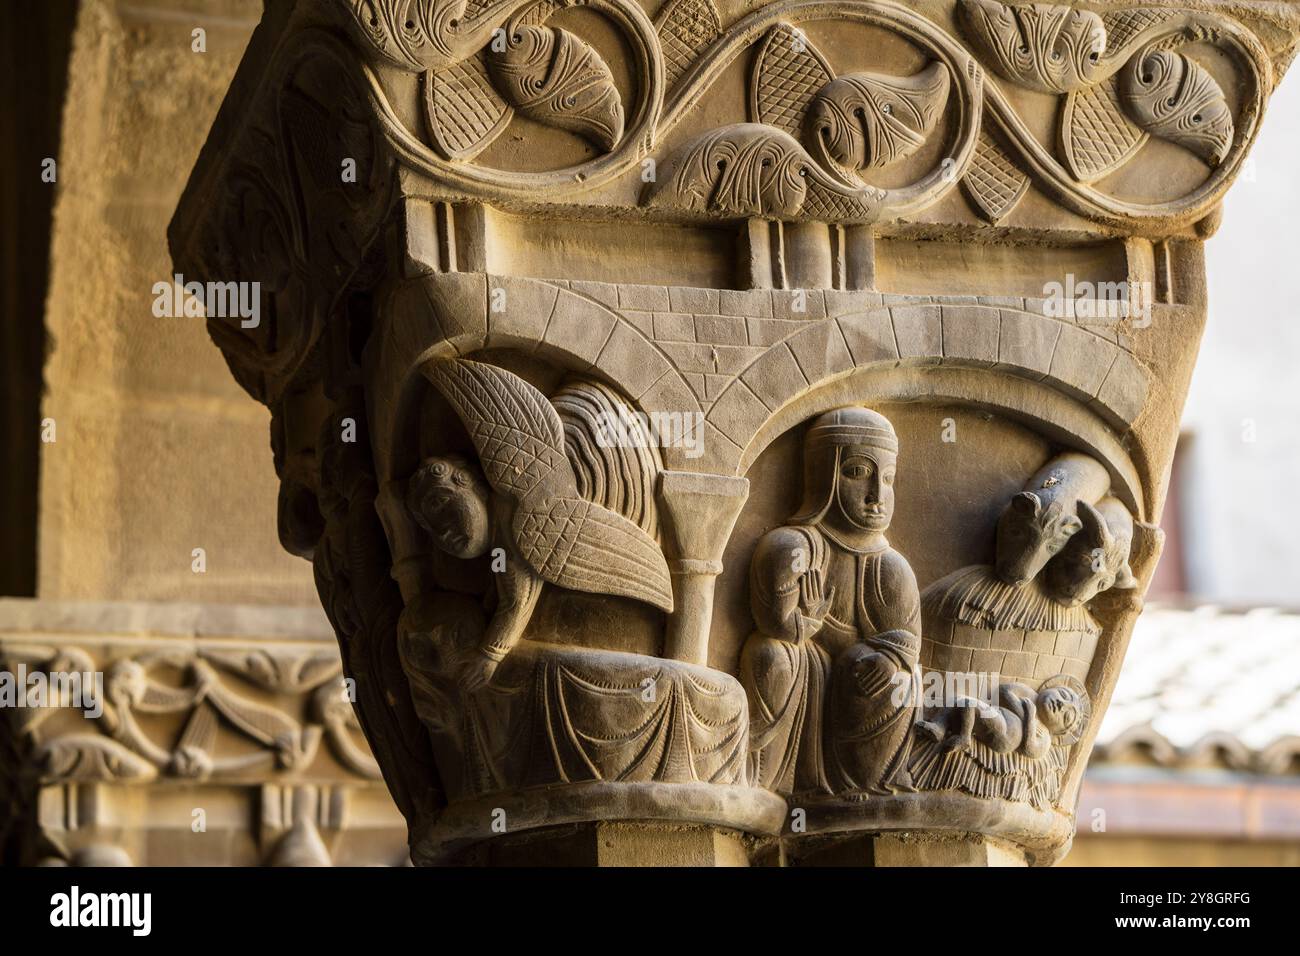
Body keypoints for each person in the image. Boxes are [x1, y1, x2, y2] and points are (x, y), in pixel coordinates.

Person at [741, 407, 922, 796]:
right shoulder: (794, 546)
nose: (877, 495)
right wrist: (799, 627)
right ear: (822, 475)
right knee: (770, 655)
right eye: (857, 472)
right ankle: (762, 782)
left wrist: (888, 659)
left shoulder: (890, 567)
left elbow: (906, 640)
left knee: (897, 682)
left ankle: (865, 787)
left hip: (857, 689)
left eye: (888, 478)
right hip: (807, 672)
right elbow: (774, 623)